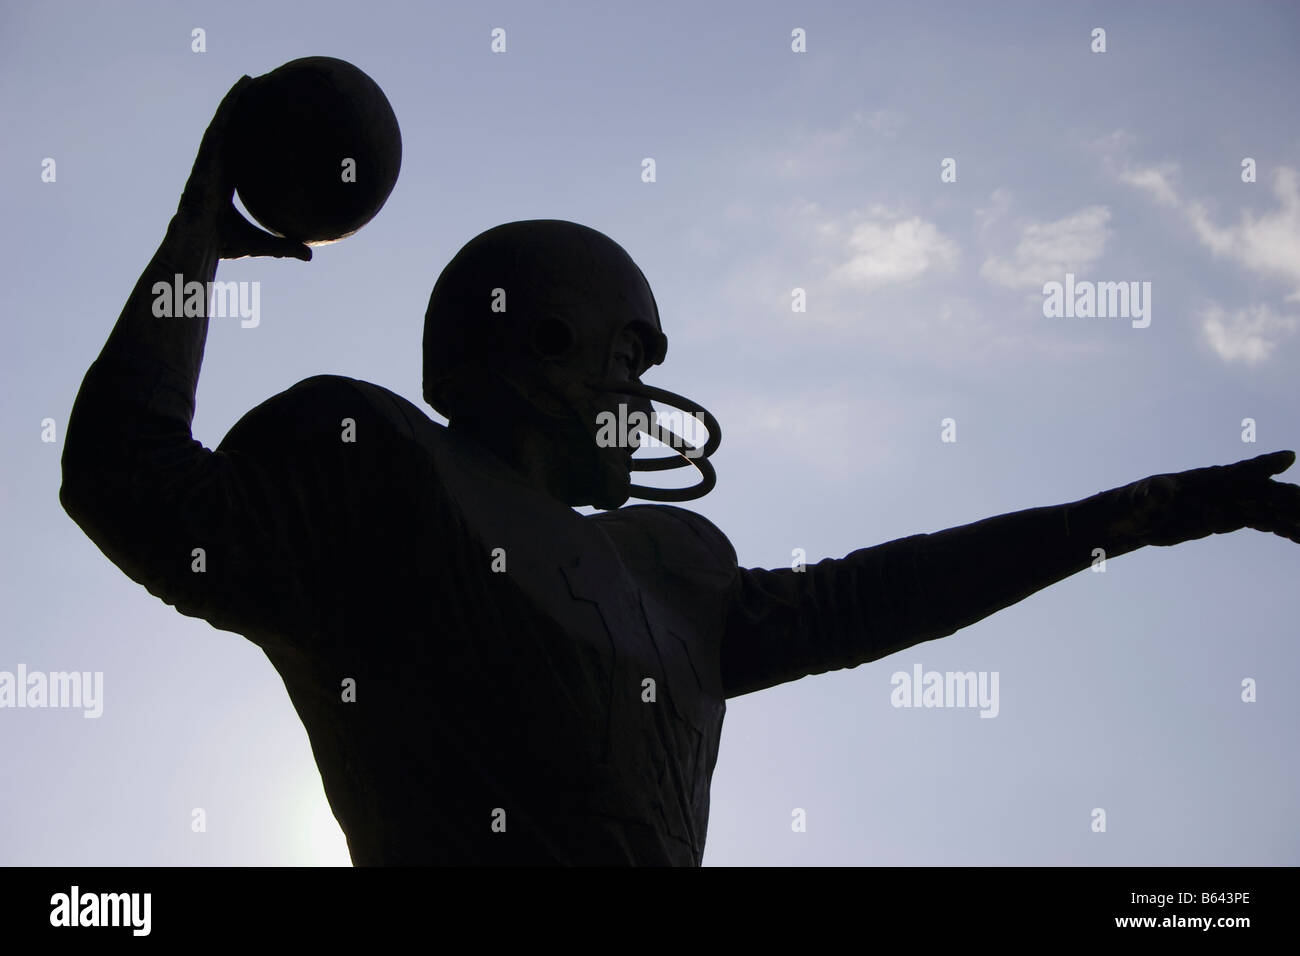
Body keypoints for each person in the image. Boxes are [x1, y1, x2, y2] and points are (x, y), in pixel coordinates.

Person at [60, 78, 1300, 865]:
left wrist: (1123, 519)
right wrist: (194, 243)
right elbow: (128, 479)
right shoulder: (371, 457)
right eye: (627, 352)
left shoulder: (672, 566)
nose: (644, 388)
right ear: (542, 344)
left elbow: (873, 596)